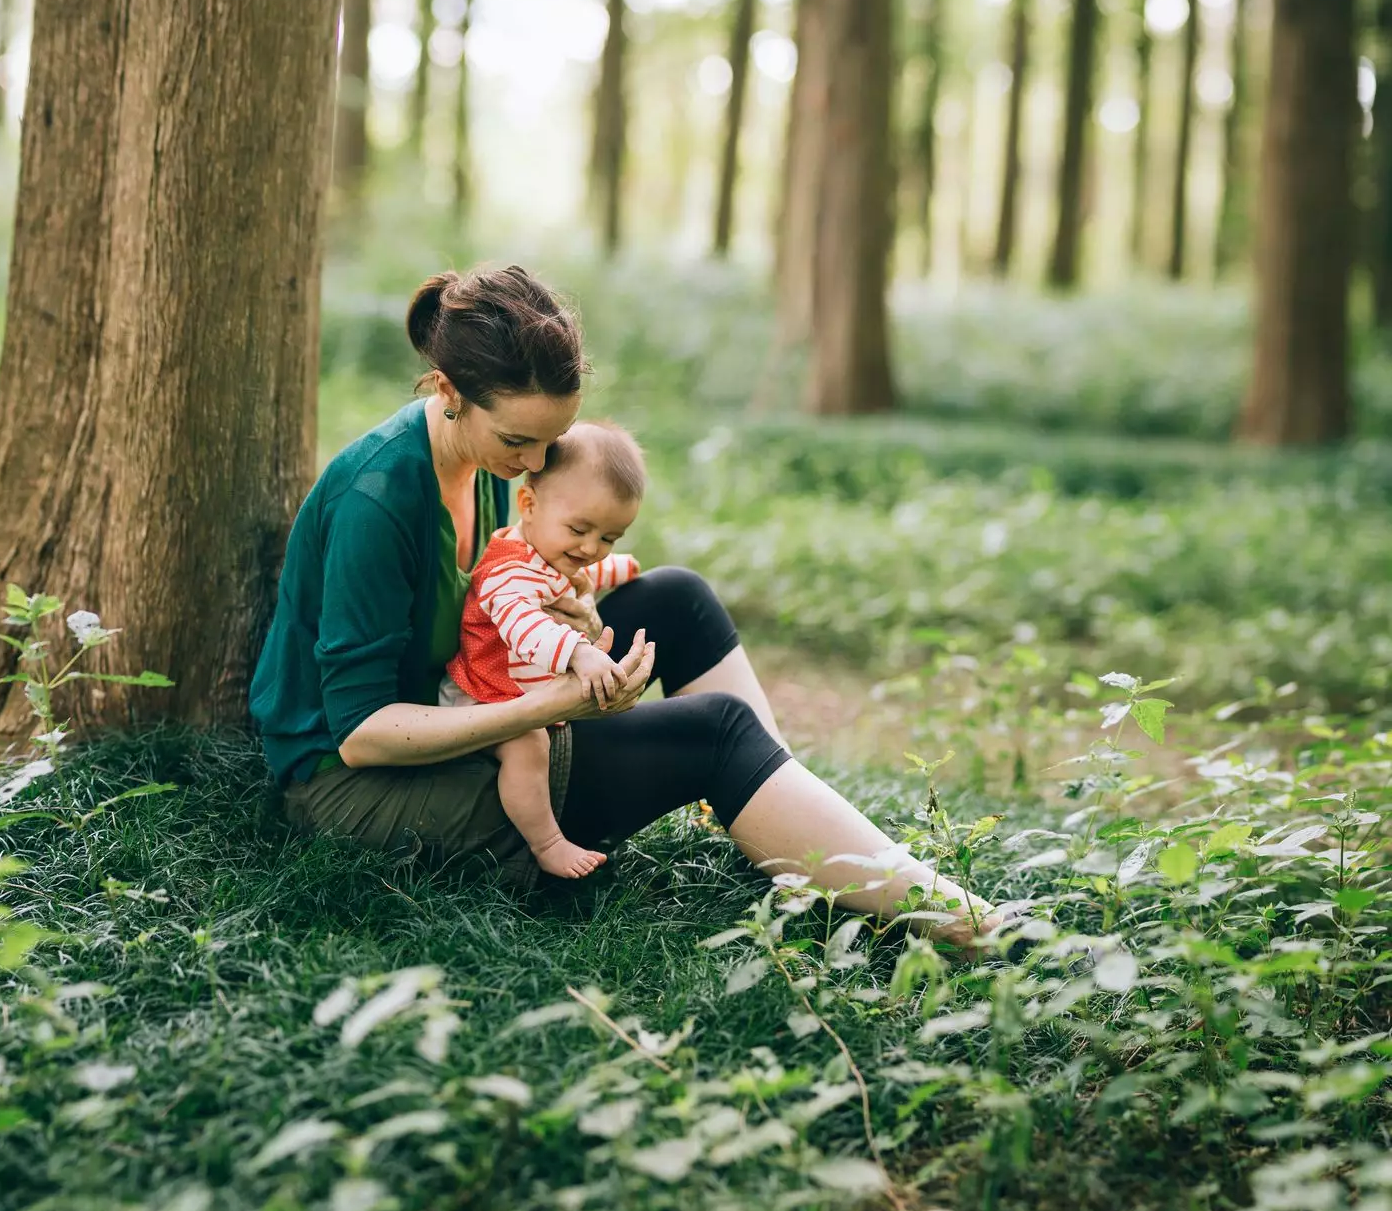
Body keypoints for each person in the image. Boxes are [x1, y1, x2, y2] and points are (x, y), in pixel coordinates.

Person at [250, 264, 1002, 947]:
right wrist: (558, 702)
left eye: (549, 442)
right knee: (713, 733)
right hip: (362, 789)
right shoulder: (377, 500)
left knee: (676, 597)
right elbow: (359, 736)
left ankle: (781, 815)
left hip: (468, 695)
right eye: (520, 441)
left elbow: (502, 595)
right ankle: (972, 928)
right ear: (448, 392)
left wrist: (570, 615)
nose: (537, 464)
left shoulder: (487, 459)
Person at [441, 420, 646, 881]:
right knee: (529, 744)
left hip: (514, 688)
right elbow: (525, 627)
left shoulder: (551, 550)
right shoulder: (508, 574)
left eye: (610, 537)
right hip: (481, 694)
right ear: (529, 504)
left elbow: (583, 574)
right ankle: (546, 842)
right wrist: (579, 652)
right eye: (581, 529)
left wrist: (622, 568)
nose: (592, 547)